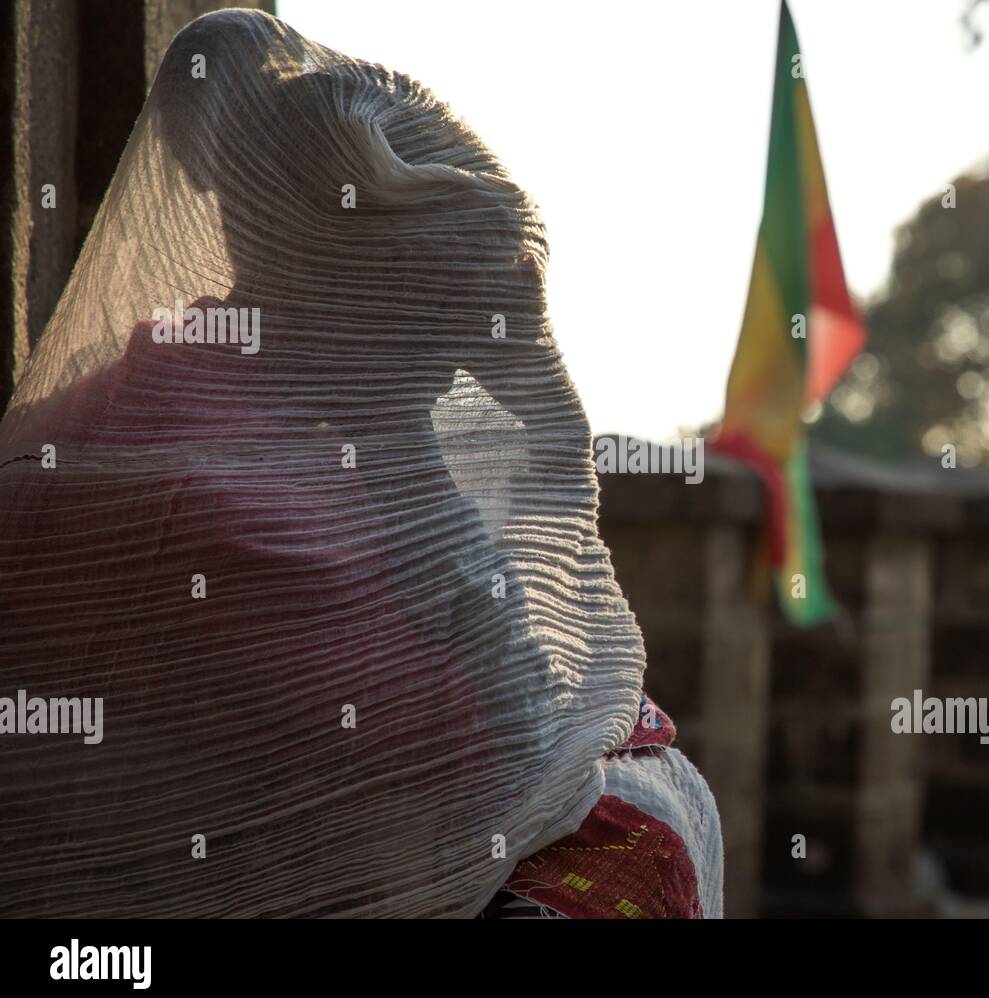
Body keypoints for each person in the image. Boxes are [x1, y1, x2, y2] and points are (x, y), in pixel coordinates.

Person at [0, 9, 720, 918]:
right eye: (445, 321)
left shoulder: (129, 400)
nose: (463, 370)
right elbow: (510, 748)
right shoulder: (293, 521)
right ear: (371, 294)